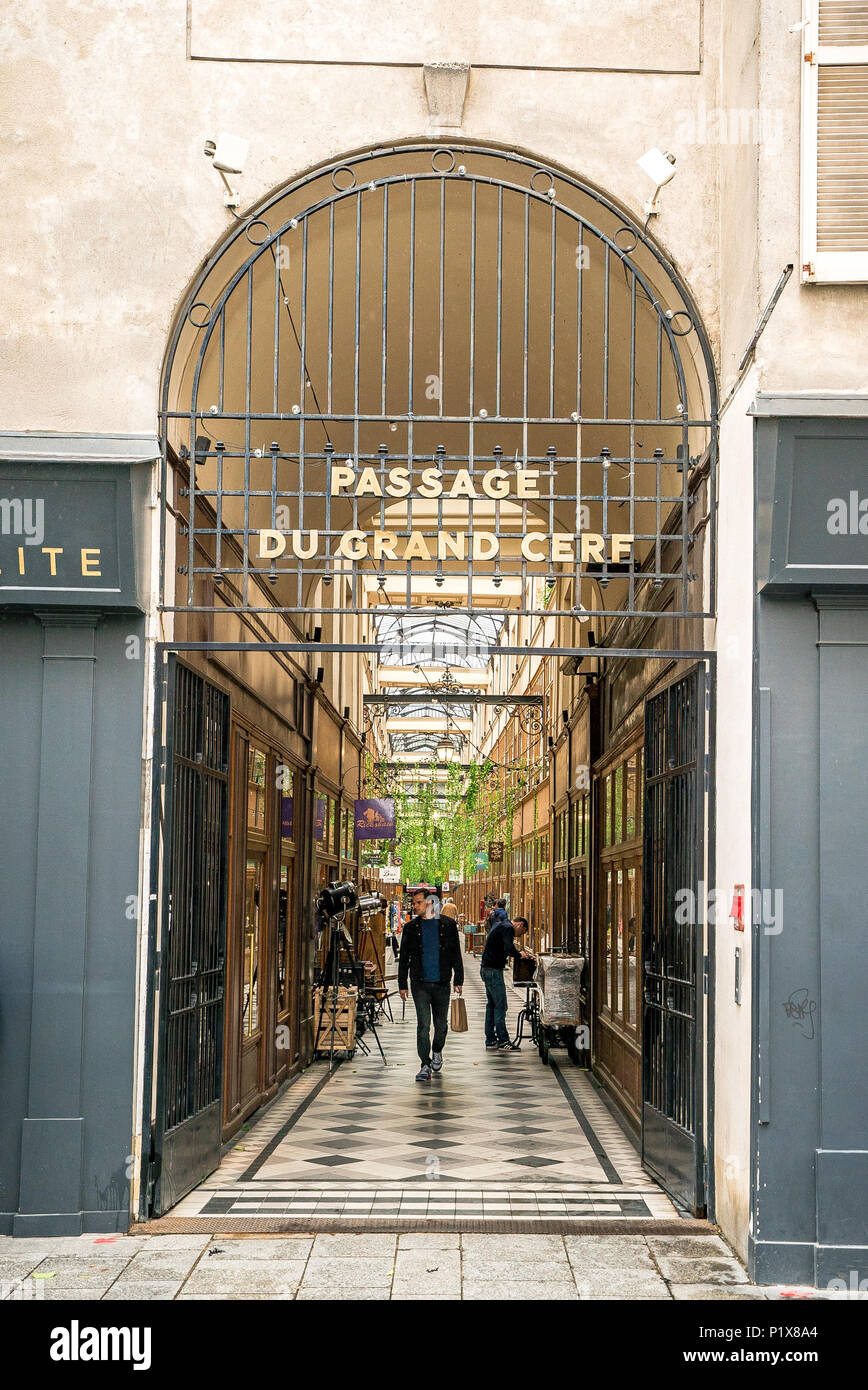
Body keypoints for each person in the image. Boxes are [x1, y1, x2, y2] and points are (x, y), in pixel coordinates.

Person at [398, 886, 464, 1082]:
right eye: (414, 903)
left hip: (442, 982)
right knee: (423, 1025)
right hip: (419, 983)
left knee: (441, 1025)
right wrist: (402, 984)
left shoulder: (447, 925)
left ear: (430, 903)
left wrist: (458, 979)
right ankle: (424, 1064)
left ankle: (437, 1050)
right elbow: (404, 959)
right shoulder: (411, 928)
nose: (414, 906)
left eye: (418, 903)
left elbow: (456, 955)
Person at [480, 902, 533, 1050]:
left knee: (492, 1005)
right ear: (520, 924)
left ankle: (490, 1039)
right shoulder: (508, 928)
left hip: (487, 968)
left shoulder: (502, 925)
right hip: (493, 971)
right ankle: (503, 1040)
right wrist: (520, 955)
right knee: (501, 1005)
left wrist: (517, 953)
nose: (520, 935)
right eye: (522, 932)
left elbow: (505, 947)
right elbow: (509, 949)